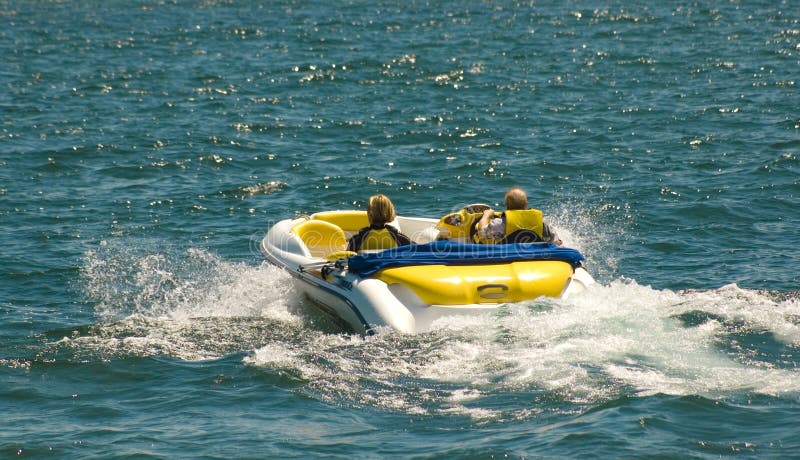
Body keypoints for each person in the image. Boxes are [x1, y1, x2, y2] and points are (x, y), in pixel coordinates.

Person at [474, 186, 562, 245]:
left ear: (507, 205)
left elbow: (482, 233)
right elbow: (557, 243)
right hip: (535, 260)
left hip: (509, 258)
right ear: (526, 205)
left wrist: (486, 215)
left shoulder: (500, 224)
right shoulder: (541, 224)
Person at [347, 194, 412, 251]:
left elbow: (347, 257)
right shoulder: (401, 239)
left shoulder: (356, 241)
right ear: (390, 212)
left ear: (369, 214)